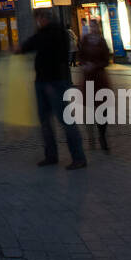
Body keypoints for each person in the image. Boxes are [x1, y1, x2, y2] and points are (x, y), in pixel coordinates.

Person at [22, 11, 86, 170]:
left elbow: (33, 45)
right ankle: (51, 155)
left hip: (54, 82)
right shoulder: (49, 33)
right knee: (45, 121)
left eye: (38, 19)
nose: (38, 22)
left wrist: (20, 48)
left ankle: (78, 157)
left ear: (44, 19)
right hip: (44, 81)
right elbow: (31, 44)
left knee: (65, 120)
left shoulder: (55, 33)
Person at [77, 19, 113, 152]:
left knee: (102, 110)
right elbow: (80, 56)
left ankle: (102, 136)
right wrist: (84, 64)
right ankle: (91, 137)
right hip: (88, 79)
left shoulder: (102, 41)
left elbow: (106, 60)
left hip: (100, 79)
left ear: (98, 27)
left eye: (94, 26)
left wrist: (96, 65)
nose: (92, 28)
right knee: (89, 110)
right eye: (91, 26)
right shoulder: (85, 40)